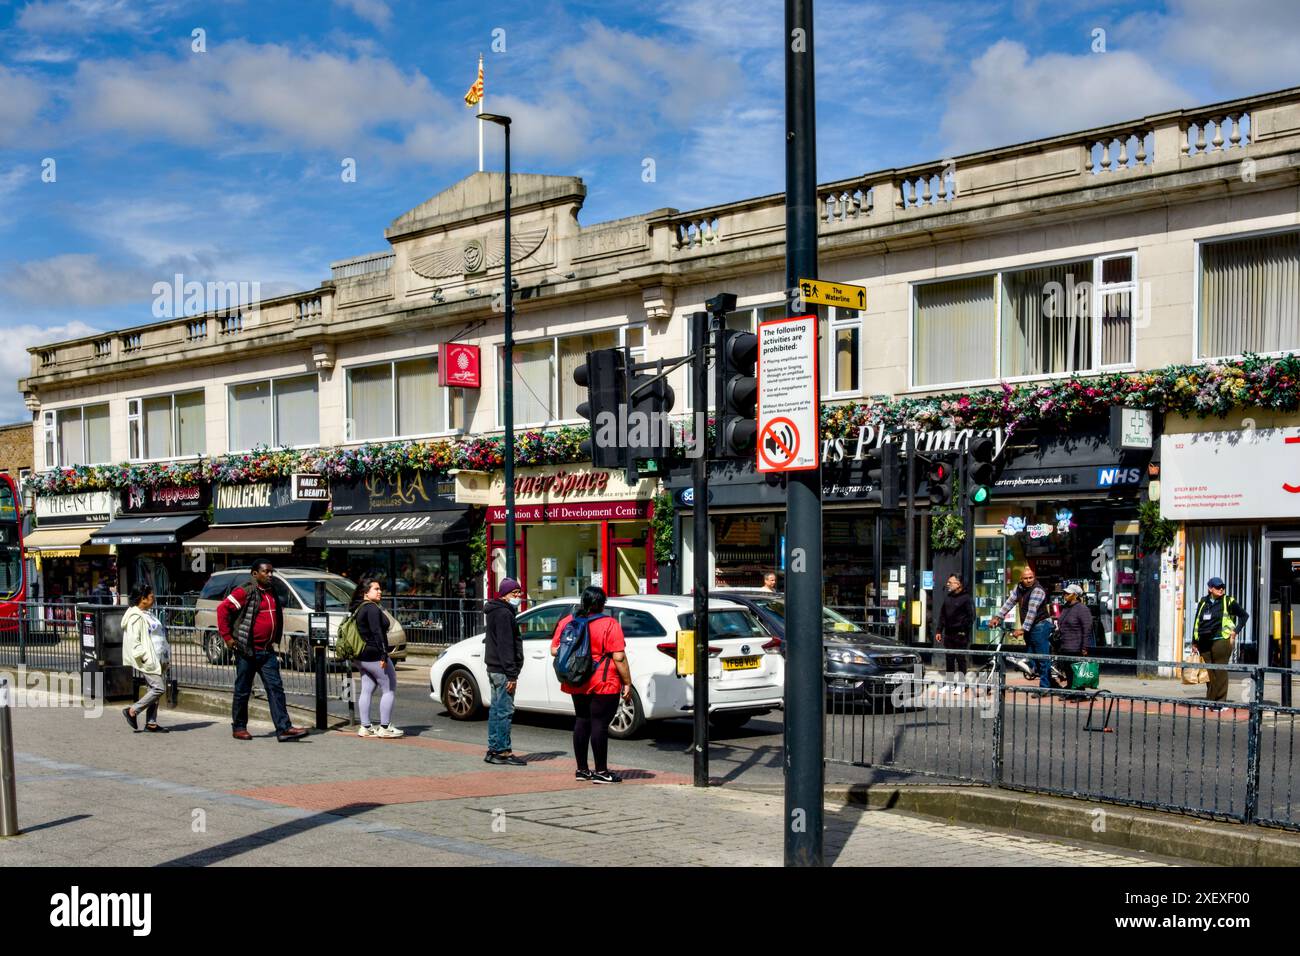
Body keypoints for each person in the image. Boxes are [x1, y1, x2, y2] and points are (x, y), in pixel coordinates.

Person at [218, 559, 308, 742]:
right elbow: (222, 609)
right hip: (247, 650)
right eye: (266, 572)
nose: (269, 575)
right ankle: (239, 727)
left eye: (271, 572)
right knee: (243, 690)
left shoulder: (271, 591)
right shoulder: (245, 591)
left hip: (267, 651)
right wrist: (227, 637)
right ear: (254, 574)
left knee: (276, 689)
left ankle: (283, 728)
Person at [551, 586, 632, 784]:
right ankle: (602, 772)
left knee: (581, 720)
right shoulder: (609, 624)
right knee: (599, 724)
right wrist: (627, 682)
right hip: (603, 680)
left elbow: (554, 650)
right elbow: (619, 657)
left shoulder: (567, 622)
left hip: (577, 679)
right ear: (602, 604)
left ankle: (582, 770)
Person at [350, 577, 403, 738]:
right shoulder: (371, 608)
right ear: (366, 592)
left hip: (361, 656)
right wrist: (383, 654)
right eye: (376, 589)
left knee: (367, 688)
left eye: (380, 589)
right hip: (374, 654)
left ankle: (365, 726)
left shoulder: (359, 608)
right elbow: (377, 632)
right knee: (389, 688)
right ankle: (385, 727)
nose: (380, 591)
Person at [483, 577, 525, 765]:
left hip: (494, 668)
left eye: (519, 592)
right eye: (514, 593)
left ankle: (494, 748)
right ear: (505, 595)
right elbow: (506, 646)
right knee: (504, 711)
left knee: (496, 710)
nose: (518, 596)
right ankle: (502, 751)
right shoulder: (504, 614)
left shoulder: (494, 611)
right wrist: (512, 674)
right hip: (502, 670)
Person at [991, 566, 1052, 689]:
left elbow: (1032, 612)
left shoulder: (1038, 590)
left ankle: (1045, 687)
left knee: (1042, 658)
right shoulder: (1019, 589)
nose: (1029, 580)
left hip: (1040, 625)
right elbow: (1010, 602)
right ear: (1021, 579)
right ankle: (1040, 676)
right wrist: (997, 617)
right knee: (1031, 656)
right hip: (1030, 627)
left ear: (1034, 577)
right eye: (1026, 578)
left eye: (1031, 577)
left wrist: (1022, 629)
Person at [121, 585, 170, 733]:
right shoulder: (135, 617)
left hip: (157, 657)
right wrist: (144, 657)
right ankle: (132, 711)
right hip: (148, 659)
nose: (153, 598)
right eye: (151, 596)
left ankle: (151, 722)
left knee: (152, 689)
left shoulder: (147, 613)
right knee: (158, 688)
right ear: (142, 599)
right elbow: (133, 641)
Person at [1193, 576, 1249, 703]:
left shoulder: (1228, 601)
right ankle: (1210, 700)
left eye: (1222, 587)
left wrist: (1235, 632)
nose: (1221, 589)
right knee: (1209, 672)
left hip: (1221, 640)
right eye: (1218, 587)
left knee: (1220, 670)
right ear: (1210, 588)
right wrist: (1194, 642)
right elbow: (1197, 621)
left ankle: (1221, 701)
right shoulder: (1203, 601)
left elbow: (1244, 616)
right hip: (1204, 641)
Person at [935, 574, 975, 679]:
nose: (948, 584)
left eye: (950, 582)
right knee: (949, 658)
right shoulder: (948, 597)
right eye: (948, 582)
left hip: (961, 634)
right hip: (948, 633)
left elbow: (971, 617)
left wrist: (962, 629)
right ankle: (949, 683)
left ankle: (962, 684)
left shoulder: (966, 598)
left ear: (958, 584)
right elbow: (942, 615)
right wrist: (939, 630)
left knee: (960, 658)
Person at [1056, 584, 1095, 664]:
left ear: (1075, 595)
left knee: (1076, 675)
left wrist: (1084, 647)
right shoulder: (1065, 607)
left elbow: (1087, 629)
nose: (1065, 595)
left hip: (1076, 649)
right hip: (1064, 647)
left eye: (1068, 593)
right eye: (1064, 593)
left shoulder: (1082, 609)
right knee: (1068, 674)